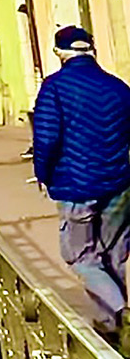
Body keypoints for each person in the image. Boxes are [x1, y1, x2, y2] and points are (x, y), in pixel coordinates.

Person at [31, 26, 130, 335]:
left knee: (81, 257)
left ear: (59, 53)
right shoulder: (118, 87)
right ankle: (112, 326)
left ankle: (120, 312)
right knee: (113, 253)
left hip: (76, 186)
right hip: (119, 184)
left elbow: (47, 138)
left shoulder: (54, 88)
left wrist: (42, 174)